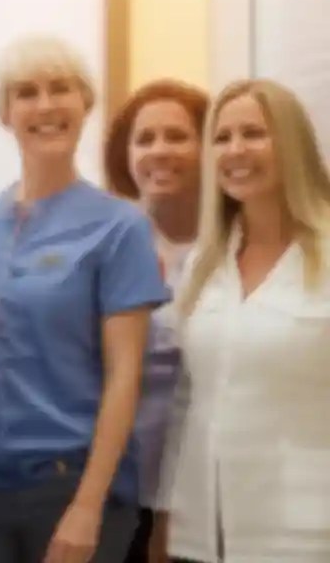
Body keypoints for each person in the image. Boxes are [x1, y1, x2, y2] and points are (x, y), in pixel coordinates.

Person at [0, 35, 168, 563]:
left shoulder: (120, 228)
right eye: (26, 92)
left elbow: (124, 376)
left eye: (60, 88)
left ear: (85, 102)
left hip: (71, 491)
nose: (45, 106)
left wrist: (87, 506)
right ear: (5, 113)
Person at [156, 79, 330, 563]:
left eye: (253, 133)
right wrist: (167, 516)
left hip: (309, 532)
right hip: (206, 534)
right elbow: (187, 400)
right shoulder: (203, 265)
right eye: (222, 137)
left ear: (291, 143)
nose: (235, 150)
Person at [102, 80, 209, 563]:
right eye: (144, 140)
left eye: (177, 136)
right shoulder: (103, 246)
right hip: (121, 493)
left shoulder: (244, 250)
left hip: (213, 496)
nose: (159, 151)